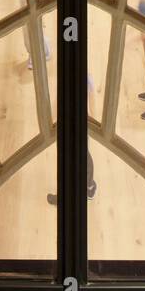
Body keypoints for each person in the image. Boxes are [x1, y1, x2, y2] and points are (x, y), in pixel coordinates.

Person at [47, 73, 97, 204]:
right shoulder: (86, 78)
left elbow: (57, 102)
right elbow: (92, 104)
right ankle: (89, 186)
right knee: (83, 156)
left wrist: (50, 122)